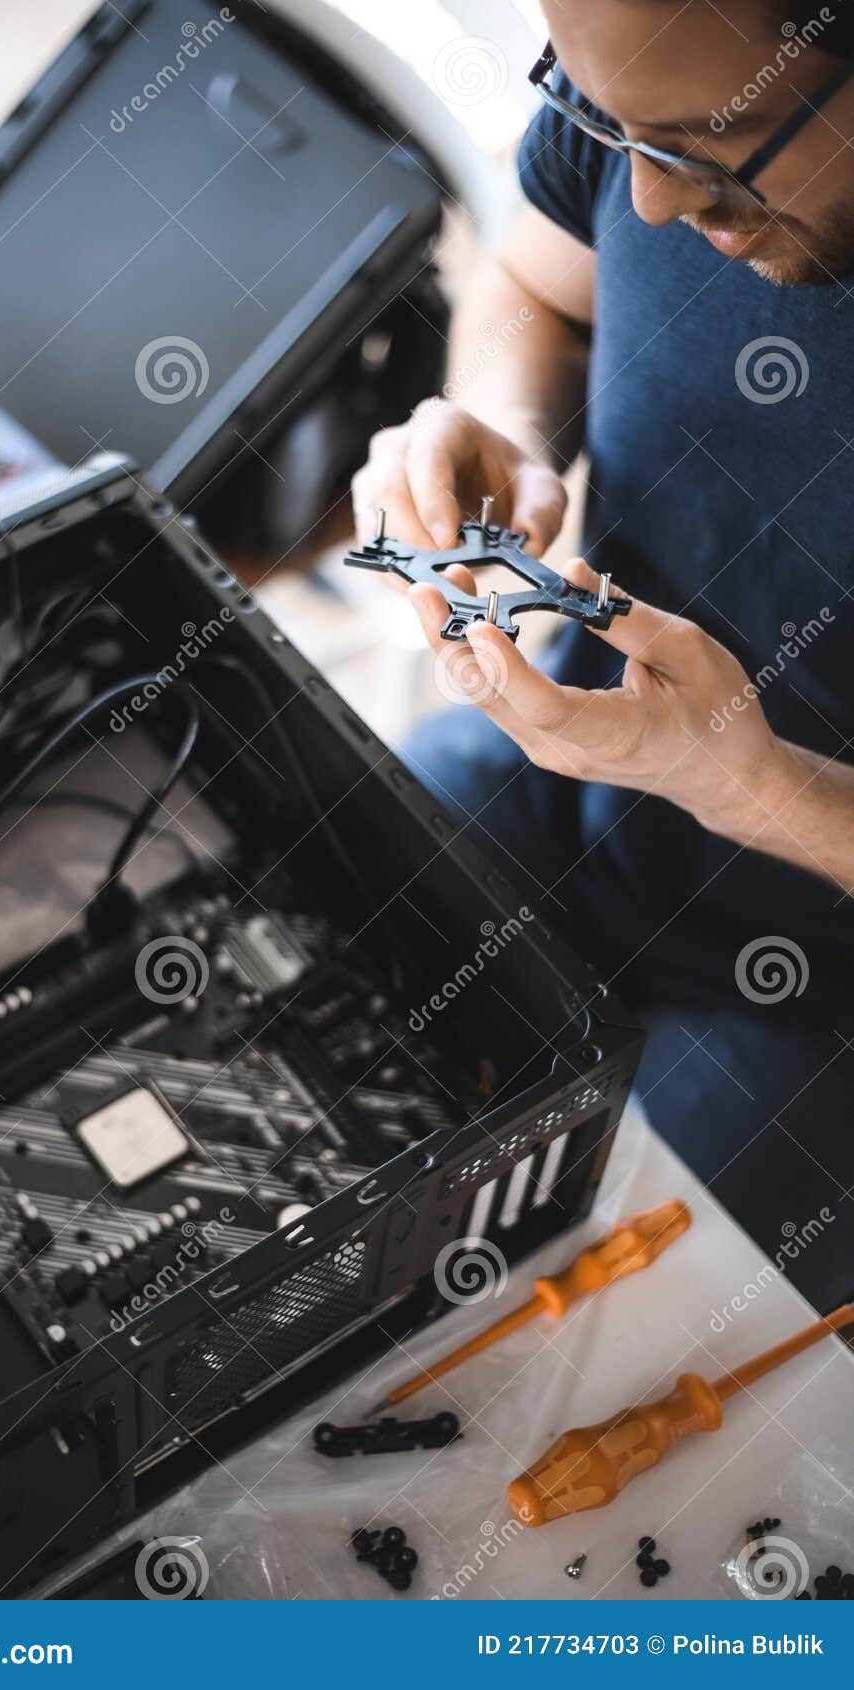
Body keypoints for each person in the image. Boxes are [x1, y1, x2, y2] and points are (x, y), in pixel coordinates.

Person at [350, 0, 854, 1310]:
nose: (644, 201)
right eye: (604, 126)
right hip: (561, 791)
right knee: (295, 979)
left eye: (712, 145)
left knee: (572, 1316)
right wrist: (494, 433)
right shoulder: (649, 94)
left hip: (807, 988)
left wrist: (750, 788)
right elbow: (533, 285)